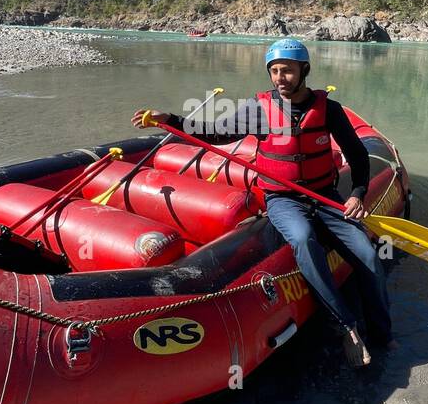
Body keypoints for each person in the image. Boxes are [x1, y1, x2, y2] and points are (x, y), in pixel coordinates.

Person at [132, 38, 393, 367]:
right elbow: (213, 133)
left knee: (369, 255)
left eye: (287, 70)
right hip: (283, 200)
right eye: (274, 71)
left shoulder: (330, 109)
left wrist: (356, 194)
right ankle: (346, 326)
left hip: (326, 197)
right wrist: (168, 118)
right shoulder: (259, 110)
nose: (280, 77)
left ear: (304, 71)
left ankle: (383, 335)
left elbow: (356, 155)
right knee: (302, 240)